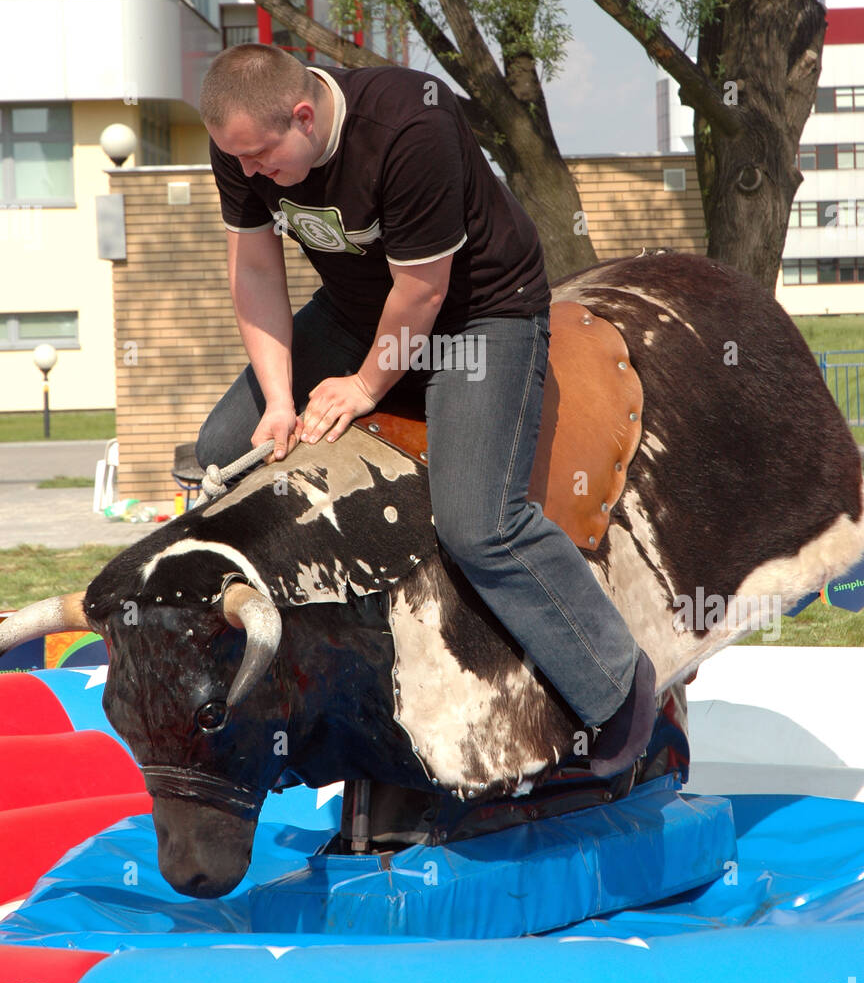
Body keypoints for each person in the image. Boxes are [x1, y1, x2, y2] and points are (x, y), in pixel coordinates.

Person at [196, 43, 656, 775]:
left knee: (479, 525)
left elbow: (422, 292)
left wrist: (365, 388)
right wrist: (280, 399)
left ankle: (617, 689)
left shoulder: (411, 126)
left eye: (261, 158)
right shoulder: (242, 141)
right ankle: (295, 675)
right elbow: (253, 268)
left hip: (477, 319)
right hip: (355, 312)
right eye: (237, 159)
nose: (250, 173)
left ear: (305, 116)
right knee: (221, 452)